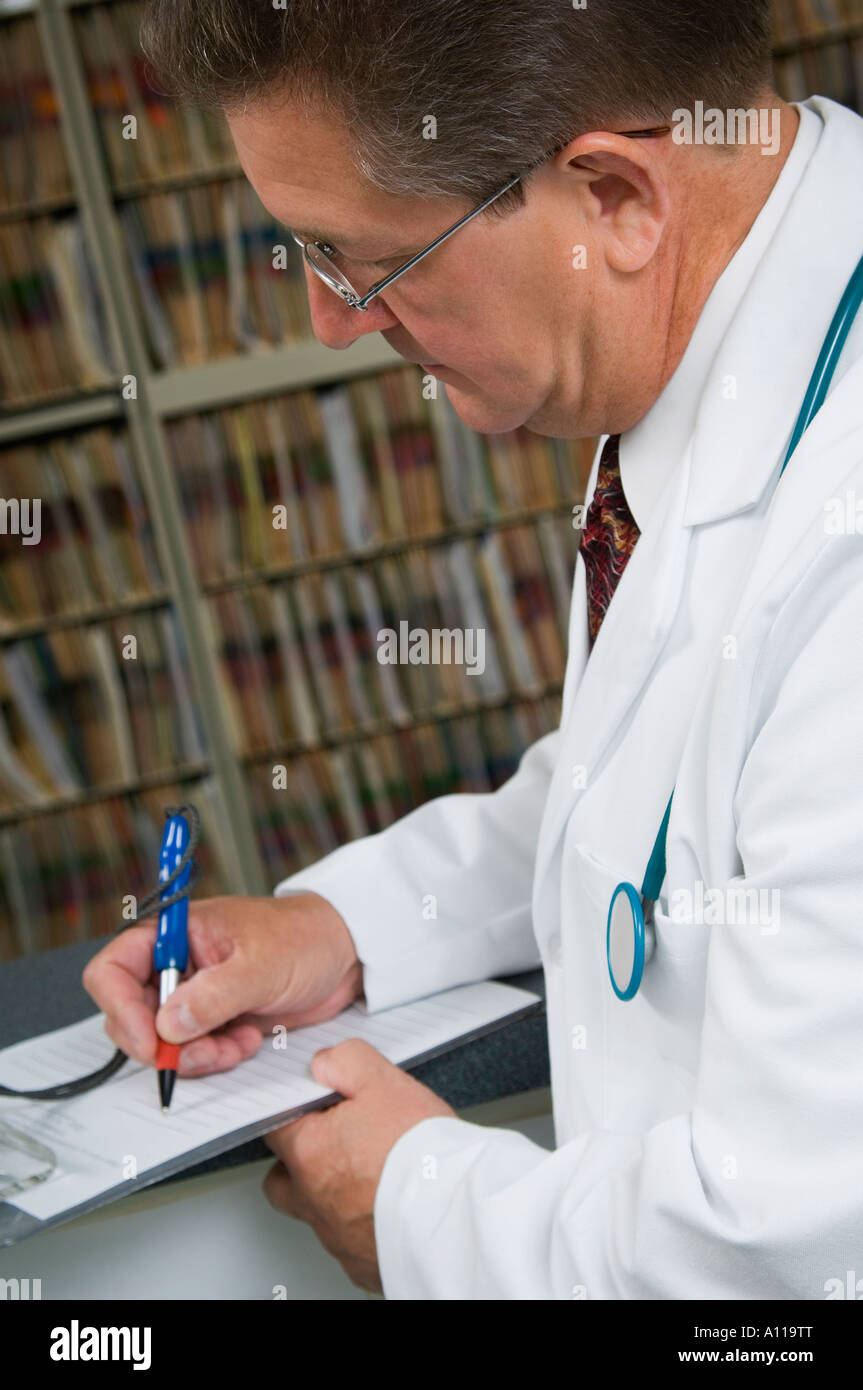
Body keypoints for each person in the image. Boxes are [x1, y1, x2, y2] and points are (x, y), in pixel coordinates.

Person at [84, 0, 863, 1298]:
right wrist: (341, 923)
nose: (334, 323)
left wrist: (419, 1209)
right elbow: (663, 781)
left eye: (358, 261)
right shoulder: (726, 340)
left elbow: (789, 1250)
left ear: (615, 197)